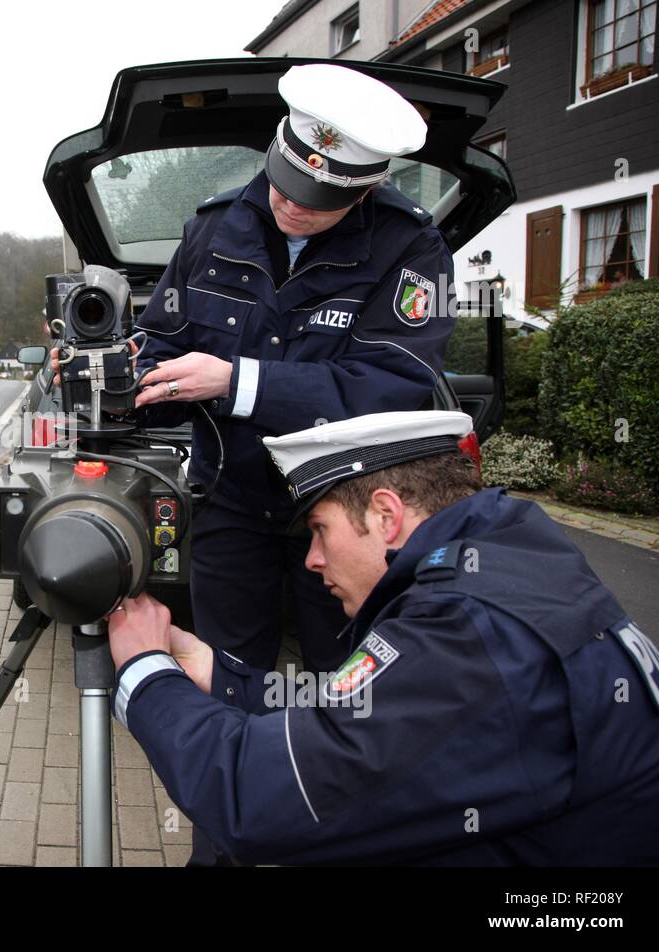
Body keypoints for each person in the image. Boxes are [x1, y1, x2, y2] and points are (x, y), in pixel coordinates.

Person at [106, 410, 659, 865]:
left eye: (321, 531)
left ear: (386, 515)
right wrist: (214, 671)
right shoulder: (510, 559)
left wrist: (147, 672)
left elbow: (251, 802)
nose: (312, 560)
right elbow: (366, 716)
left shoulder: (472, 633)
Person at [130, 63, 453, 678]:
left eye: (319, 200)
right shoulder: (210, 229)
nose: (291, 204)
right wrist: (131, 378)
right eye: (284, 183)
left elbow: (393, 387)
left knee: (349, 679)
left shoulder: (409, 247)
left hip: (347, 507)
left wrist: (237, 382)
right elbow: (162, 346)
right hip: (232, 499)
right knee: (225, 671)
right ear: (278, 150)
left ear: (365, 190)